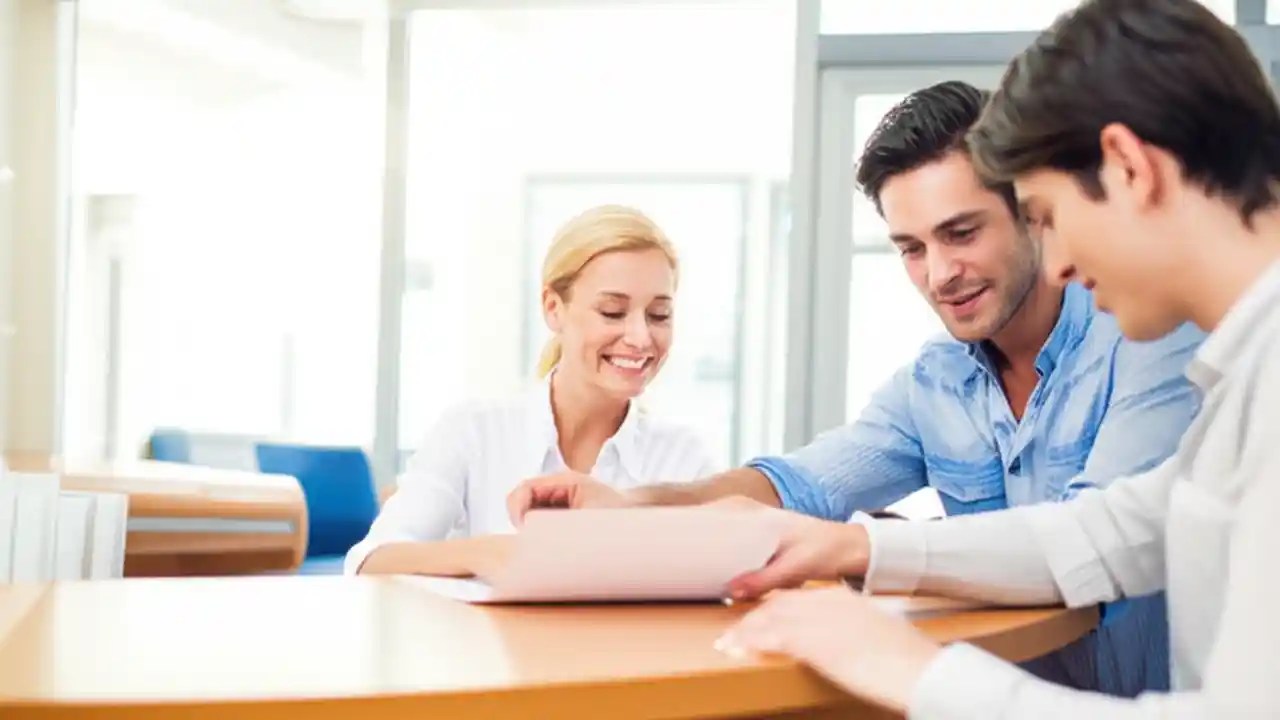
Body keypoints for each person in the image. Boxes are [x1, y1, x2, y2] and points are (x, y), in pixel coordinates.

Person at [507, 82, 1203, 694]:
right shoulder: (934, 381)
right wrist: (629, 505)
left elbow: (1093, 541)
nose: (939, 274)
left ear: (1031, 211)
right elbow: (793, 486)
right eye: (911, 248)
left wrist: (859, 549)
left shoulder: (1148, 338)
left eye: (961, 233)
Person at [714, 0, 1280, 716]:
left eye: (1047, 217)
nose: (1062, 262)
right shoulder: (1247, 375)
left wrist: (904, 667)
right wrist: (855, 551)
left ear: (1132, 170)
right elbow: (1107, 531)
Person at [346, 205, 717, 576]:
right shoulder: (475, 430)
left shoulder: (684, 457)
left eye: (659, 315)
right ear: (553, 308)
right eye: (612, 312)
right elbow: (371, 561)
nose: (640, 337)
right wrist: (483, 555)